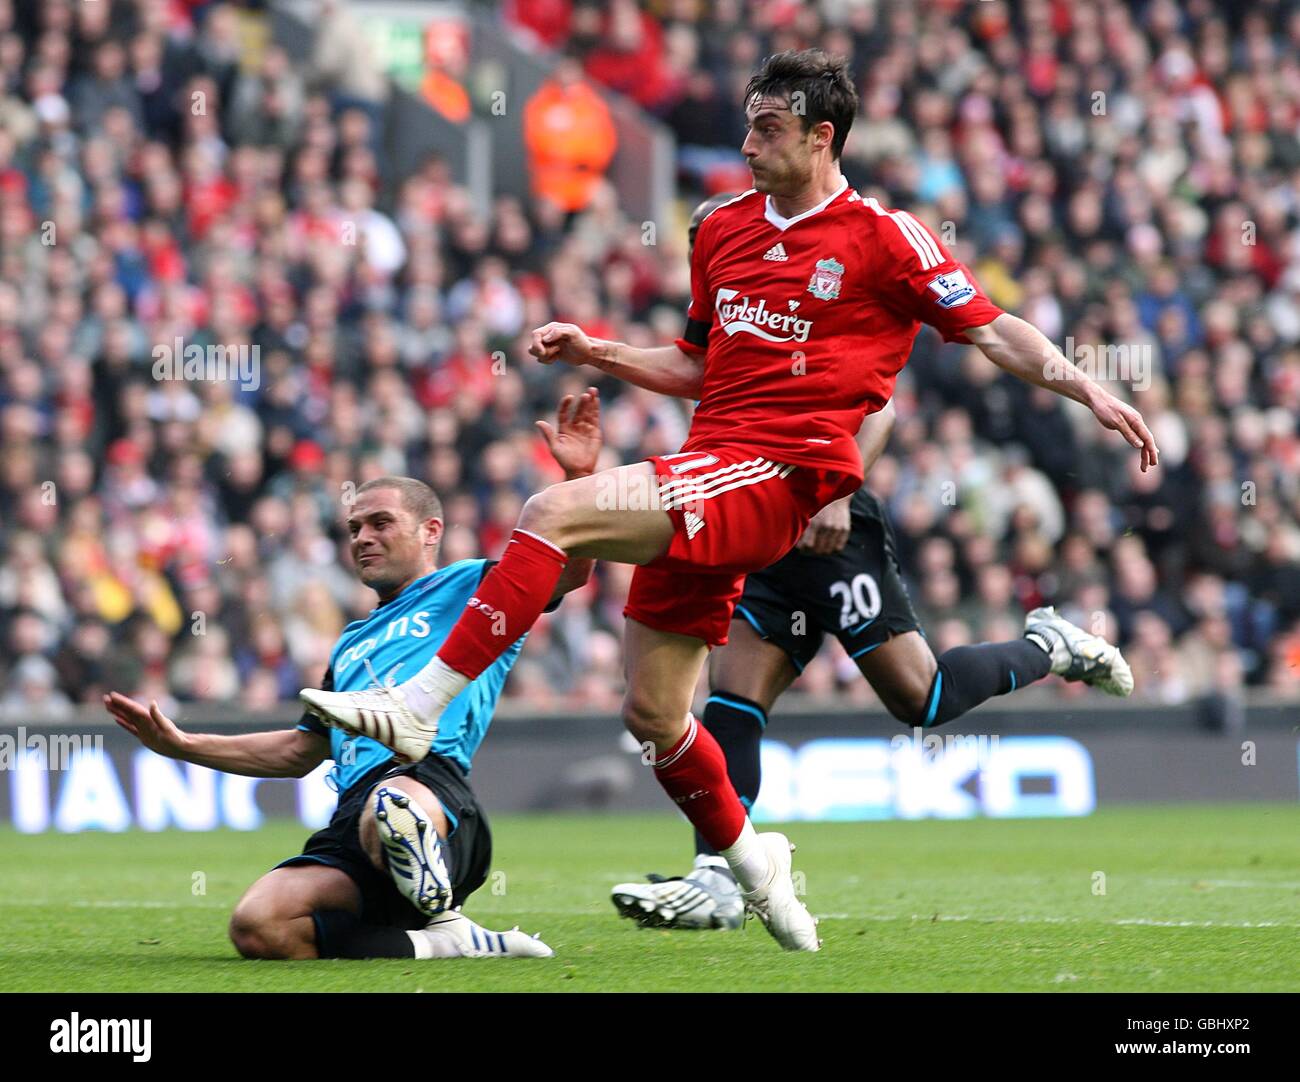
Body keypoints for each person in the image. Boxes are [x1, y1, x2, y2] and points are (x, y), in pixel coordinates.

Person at [301, 50, 1159, 954]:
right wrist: (600, 352)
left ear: (823, 137)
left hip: (785, 475)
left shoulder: (884, 236)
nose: (746, 144)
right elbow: (700, 364)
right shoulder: (718, 227)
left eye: (767, 129)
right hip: (712, 467)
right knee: (656, 716)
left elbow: (994, 333)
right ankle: (756, 867)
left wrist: (1086, 387)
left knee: (551, 514)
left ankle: (419, 706)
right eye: (747, 124)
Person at [607, 196, 1134, 929]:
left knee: (921, 699)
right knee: (733, 702)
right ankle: (720, 879)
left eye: (718, 234)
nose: (717, 251)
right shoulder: (732, 303)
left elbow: (878, 405)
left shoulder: (830, 281)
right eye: (705, 243)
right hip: (753, 522)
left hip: (827, 522)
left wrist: (838, 489)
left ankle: (1049, 644)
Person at [104, 392, 603, 961]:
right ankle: (445, 942)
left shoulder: (473, 586)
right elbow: (299, 751)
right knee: (258, 926)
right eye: (354, 528)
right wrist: (183, 744)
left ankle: (426, 875)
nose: (363, 538)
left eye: (381, 523)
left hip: (430, 790)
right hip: (351, 815)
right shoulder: (349, 643)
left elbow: (567, 574)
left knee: (392, 807)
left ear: (430, 531)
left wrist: (577, 476)